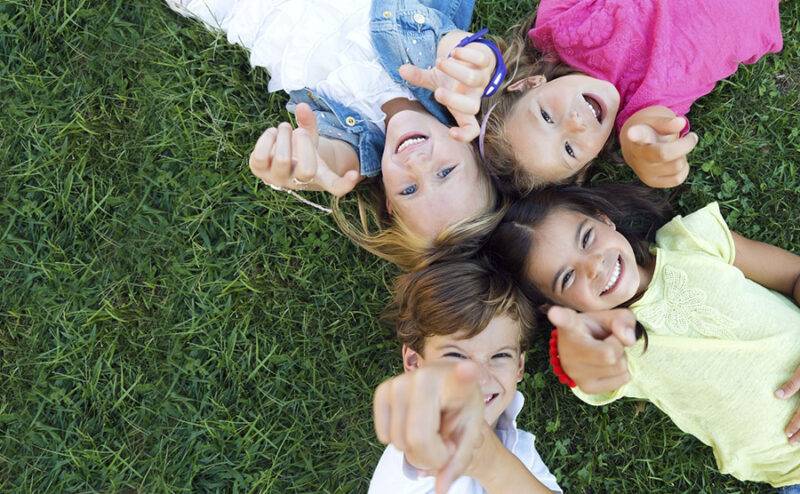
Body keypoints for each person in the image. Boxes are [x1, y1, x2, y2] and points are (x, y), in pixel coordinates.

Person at [485, 183, 800, 489]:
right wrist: (571, 346)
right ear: (555, 306)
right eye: (568, 277)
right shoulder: (613, 347)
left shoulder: (690, 241)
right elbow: (582, 367)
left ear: (604, 219)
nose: (594, 266)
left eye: (587, 238)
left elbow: (793, 274)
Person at [164, 0, 501, 269]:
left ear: (388, 198)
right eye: (445, 172)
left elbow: (323, 163)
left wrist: (296, 172)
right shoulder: (440, 75)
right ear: (473, 149)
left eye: (409, 189)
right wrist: (476, 63)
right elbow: (456, 45)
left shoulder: (356, 150)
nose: (418, 165)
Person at [479, 0, 783, 194]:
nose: (573, 124)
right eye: (569, 149)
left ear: (530, 83)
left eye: (546, 116)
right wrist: (643, 152)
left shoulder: (559, 24)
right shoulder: (640, 114)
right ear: (588, 164)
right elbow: (652, 128)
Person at [371, 258, 562, 494]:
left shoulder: (520, 450)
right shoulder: (416, 444)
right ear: (414, 362)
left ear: (519, 367)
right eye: (456, 356)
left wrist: (493, 464)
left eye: (500, 355)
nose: (481, 379)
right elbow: (421, 451)